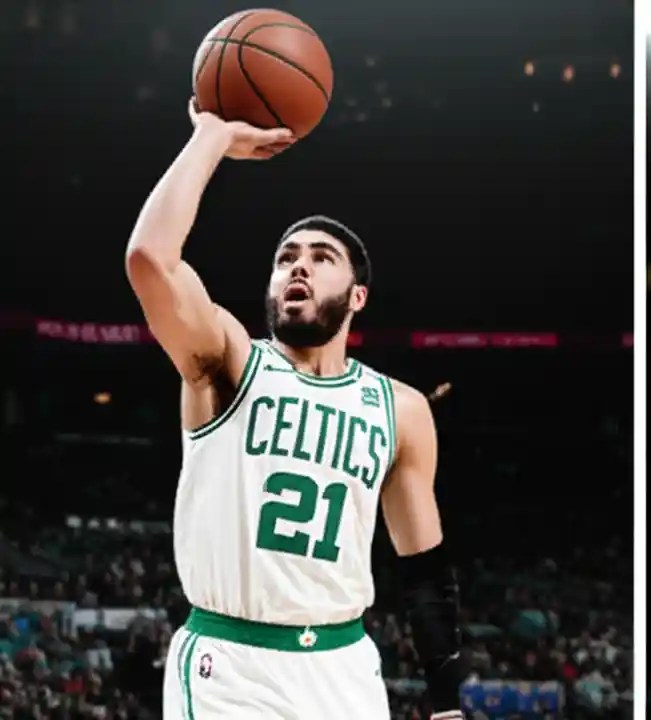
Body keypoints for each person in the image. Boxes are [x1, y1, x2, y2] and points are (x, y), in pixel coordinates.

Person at [124, 101, 464, 720]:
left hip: (345, 668)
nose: (298, 266)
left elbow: (424, 569)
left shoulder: (401, 409)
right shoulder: (226, 360)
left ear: (357, 296)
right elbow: (150, 258)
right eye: (285, 259)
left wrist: (446, 706)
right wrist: (210, 139)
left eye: (320, 258)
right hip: (232, 666)